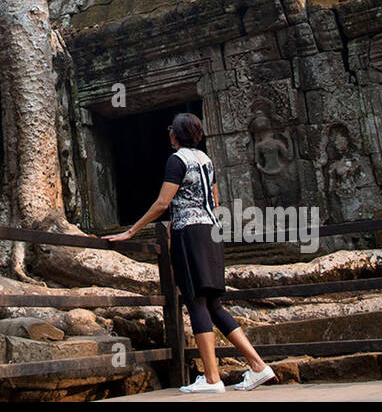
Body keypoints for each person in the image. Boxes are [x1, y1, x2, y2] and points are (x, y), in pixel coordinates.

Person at [108, 112, 275, 393]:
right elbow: (215, 198)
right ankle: (258, 366)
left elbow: (163, 203)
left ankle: (212, 378)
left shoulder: (177, 160)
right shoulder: (205, 159)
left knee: (196, 301)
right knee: (213, 304)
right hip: (212, 230)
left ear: (175, 135)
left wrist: (131, 231)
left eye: (171, 130)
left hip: (191, 233)